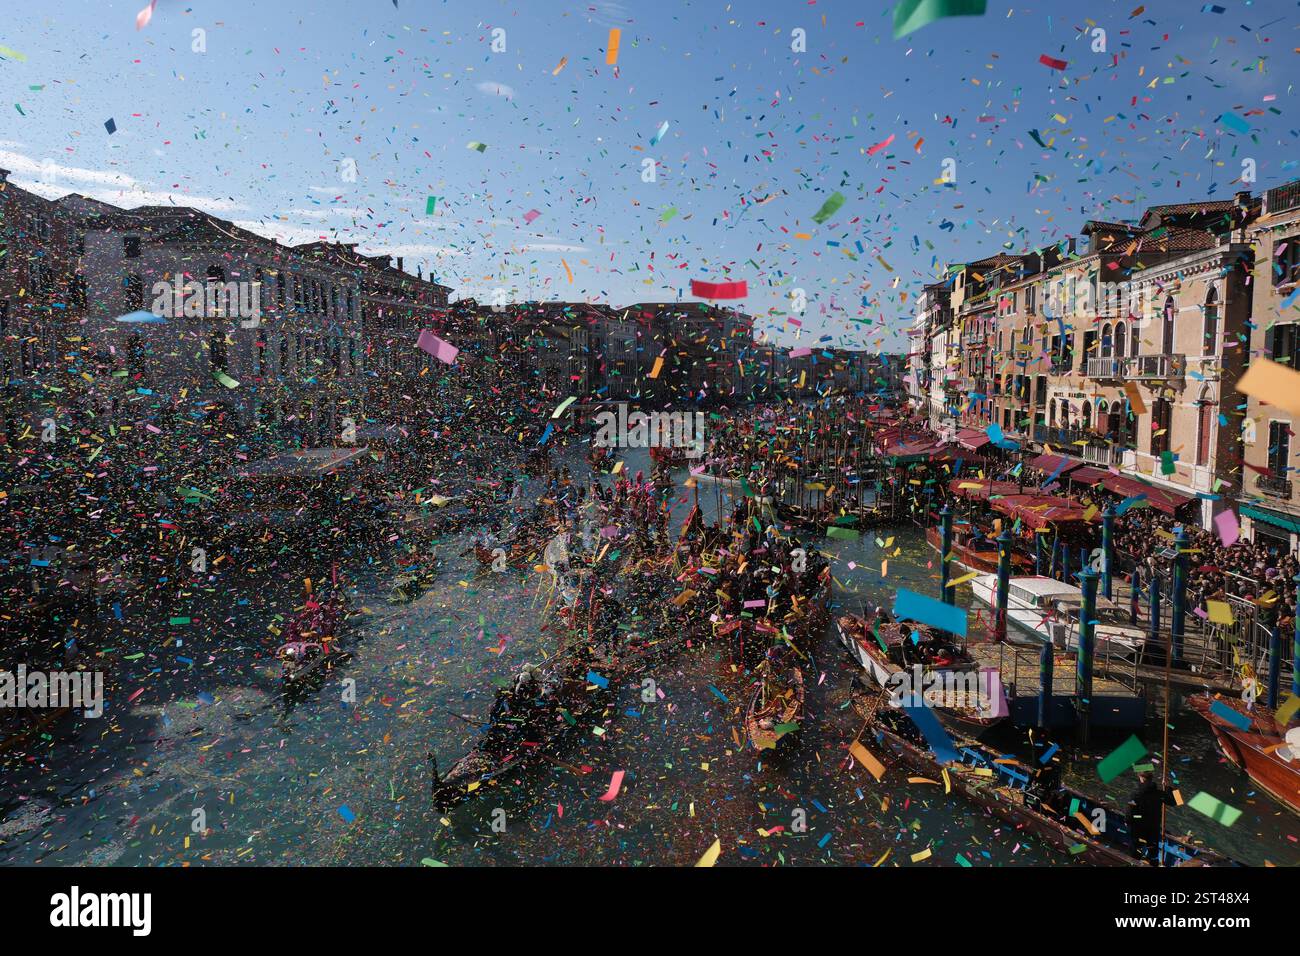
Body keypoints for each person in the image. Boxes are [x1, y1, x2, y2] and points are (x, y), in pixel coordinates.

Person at [1127, 771, 1176, 864]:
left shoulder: (1135, 794)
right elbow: (1176, 801)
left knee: (1135, 854)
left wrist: (1128, 823)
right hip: (1153, 828)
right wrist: (1169, 787)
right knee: (1153, 855)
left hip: (1138, 828)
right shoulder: (1159, 794)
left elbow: (1129, 813)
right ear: (1151, 779)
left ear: (1141, 778)